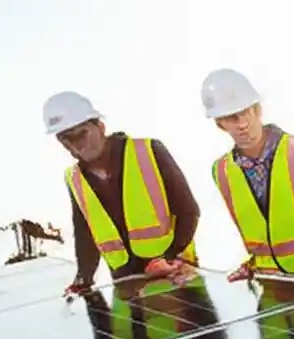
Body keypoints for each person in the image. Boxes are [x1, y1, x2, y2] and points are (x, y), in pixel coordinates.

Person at [45, 91, 200, 295]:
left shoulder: (148, 150)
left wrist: (171, 257)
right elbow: (85, 233)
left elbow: (188, 211)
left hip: (175, 273)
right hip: (126, 281)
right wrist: (84, 279)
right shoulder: (74, 178)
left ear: (100, 126)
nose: (76, 144)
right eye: (66, 139)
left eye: (81, 134)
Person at [203, 68, 294, 280]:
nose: (242, 123)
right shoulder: (222, 171)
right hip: (271, 283)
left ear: (258, 109)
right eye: (231, 118)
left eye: (246, 112)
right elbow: (261, 230)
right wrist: (253, 265)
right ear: (219, 124)